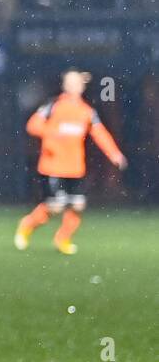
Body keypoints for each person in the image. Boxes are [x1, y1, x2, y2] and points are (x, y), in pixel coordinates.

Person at [15, 69, 127, 255]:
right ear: (65, 85)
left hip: (75, 168)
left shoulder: (86, 111)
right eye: (71, 82)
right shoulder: (53, 106)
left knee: (77, 206)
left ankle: (62, 239)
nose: (75, 86)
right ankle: (26, 225)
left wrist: (115, 154)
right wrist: (52, 134)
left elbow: (100, 133)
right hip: (53, 166)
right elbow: (33, 125)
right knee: (55, 206)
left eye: (78, 83)